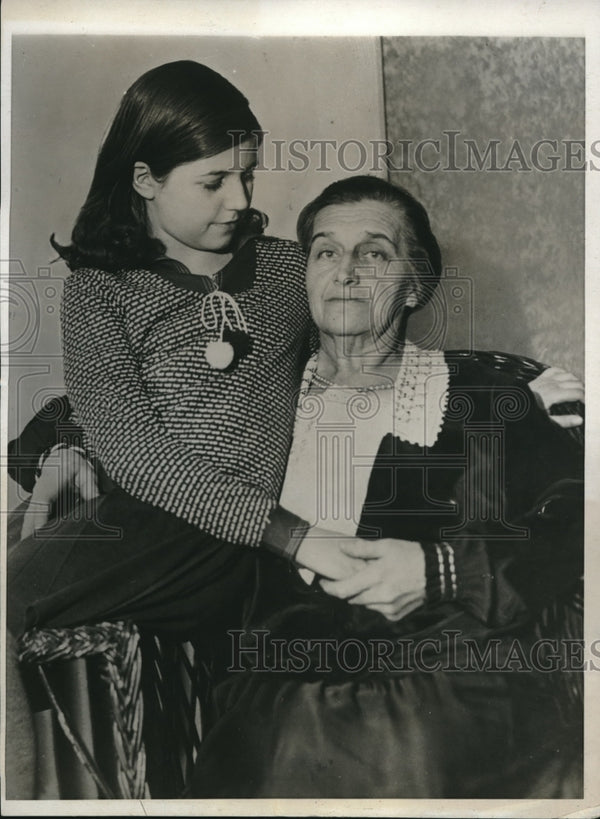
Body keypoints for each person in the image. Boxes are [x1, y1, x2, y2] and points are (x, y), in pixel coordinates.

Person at [186, 176, 584, 799]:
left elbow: (577, 523)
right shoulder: (259, 392)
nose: (344, 271)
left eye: (373, 253)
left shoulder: (483, 398)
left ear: (415, 285)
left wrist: (440, 570)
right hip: (281, 690)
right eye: (325, 251)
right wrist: (64, 450)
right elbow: (117, 410)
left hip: (447, 684)